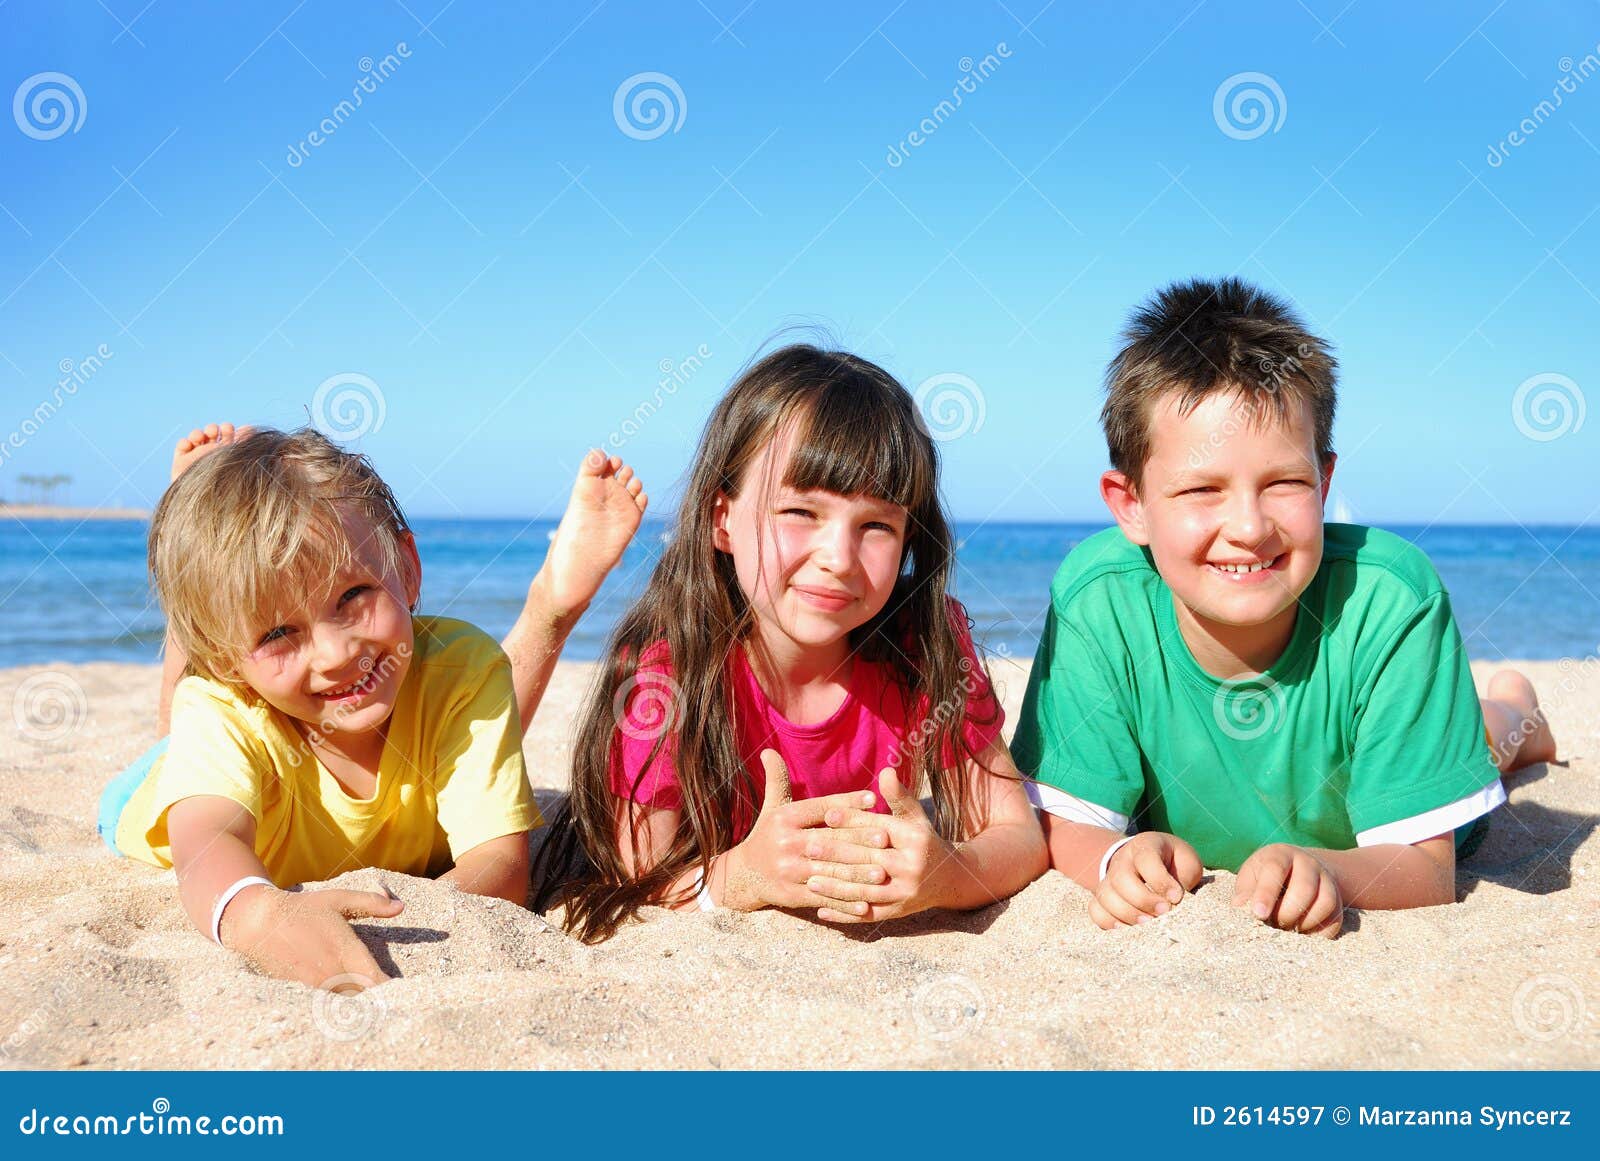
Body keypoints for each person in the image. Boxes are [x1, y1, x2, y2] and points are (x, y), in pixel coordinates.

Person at [1010, 278, 1557, 939]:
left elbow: (1428, 868)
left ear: (1324, 485)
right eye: (1202, 489)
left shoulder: (1393, 600)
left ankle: (1519, 713)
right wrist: (1112, 858)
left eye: (1285, 482)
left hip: (1385, 818)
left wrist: (1328, 870)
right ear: (1131, 505)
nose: (1248, 527)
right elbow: (1065, 819)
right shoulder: (1097, 599)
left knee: (1491, 738)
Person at [529, 345, 1047, 942]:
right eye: (800, 511)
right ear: (722, 520)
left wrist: (945, 874)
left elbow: (1019, 837)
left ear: (909, 538)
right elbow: (638, 878)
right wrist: (744, 875)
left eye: (876, 525)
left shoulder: (925, 642)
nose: (839, 558)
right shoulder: (667, 676)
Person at [100, 423, 648, 987]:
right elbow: (207, 843)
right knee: (186, 717)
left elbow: (500, 866)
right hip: (152, 790)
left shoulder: (464, 667)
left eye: (353, 595)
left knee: (459, 704)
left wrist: (416, 910)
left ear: (407, 568)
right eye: (278, 632)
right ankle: (193, 580)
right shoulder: (223, 705)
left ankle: (551, 605)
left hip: (389, 748)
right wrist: (258, 914)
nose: (336, 654)